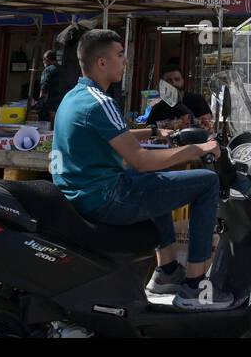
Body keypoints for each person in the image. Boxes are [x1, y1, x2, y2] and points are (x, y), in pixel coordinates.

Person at [52, 30, 232, 310]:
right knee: (207, 182)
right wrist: (200, 149)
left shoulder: (75, 97)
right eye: (120, 55)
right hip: (107, 198)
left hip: (83, 194)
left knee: (153, 178)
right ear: (102, 63)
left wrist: (155, 132)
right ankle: (195, 285)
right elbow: (141, 160)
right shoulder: (101, 102)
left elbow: (116, 136)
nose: (126, 62)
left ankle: (168, 270)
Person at [149, 62, 214, 132]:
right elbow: (149, 130)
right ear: (163, 83)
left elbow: (208, 126)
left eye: (177, 79)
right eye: (169, 80)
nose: (173, 83)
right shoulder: (158, 107)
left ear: (182, 81)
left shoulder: (197, 100)